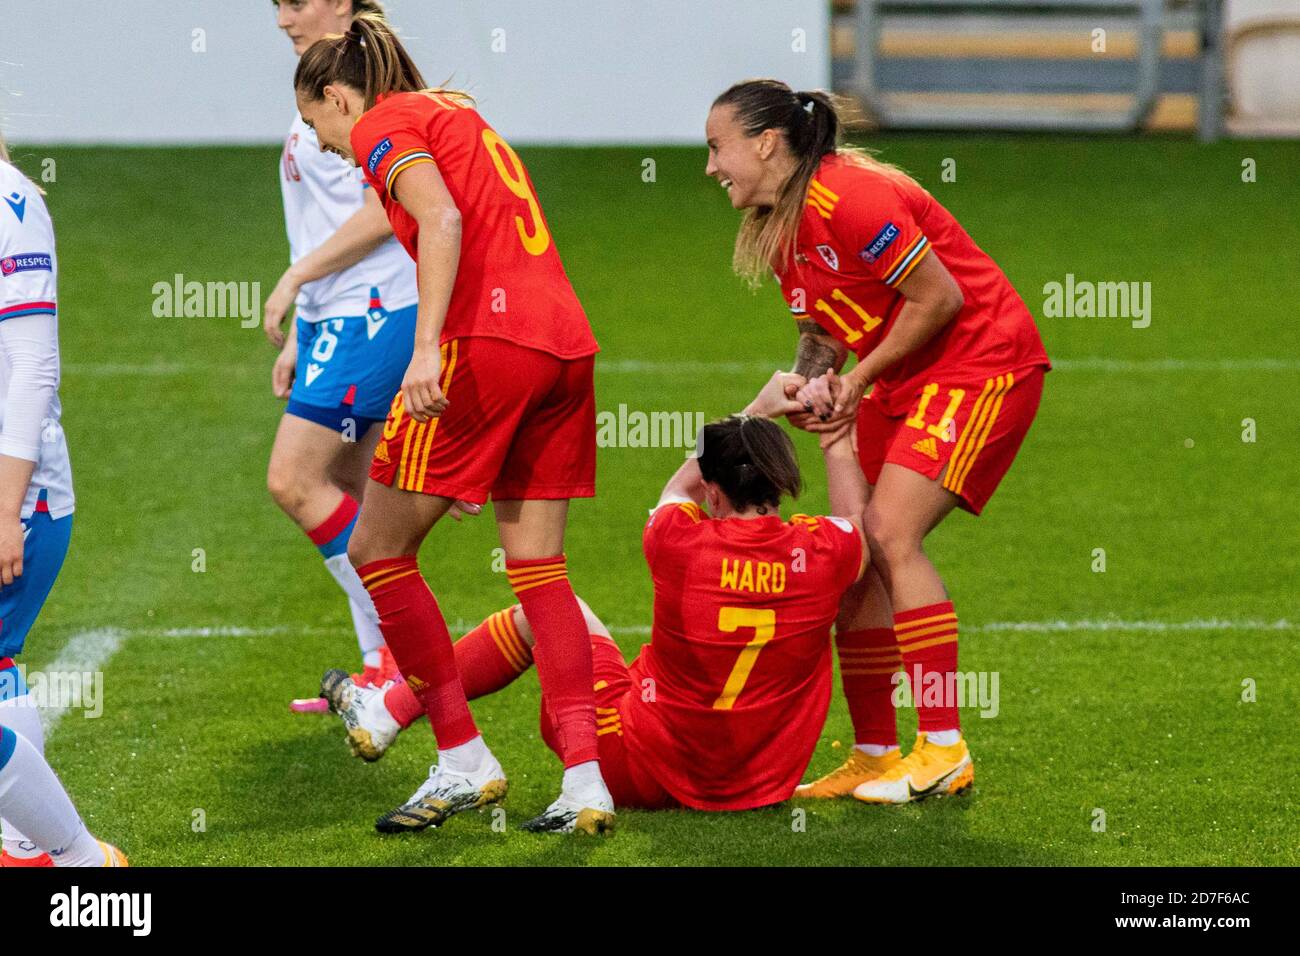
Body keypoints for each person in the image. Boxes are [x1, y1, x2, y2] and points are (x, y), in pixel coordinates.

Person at [293, 13, 611, 834]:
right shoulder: (455, 110)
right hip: (564, 345)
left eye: (316, 123)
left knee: (377, 550)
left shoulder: (384, 123)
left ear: (336, 95)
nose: (325, 144)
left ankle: (463, 759)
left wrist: (425, 347)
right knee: (540, 566)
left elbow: (441, 219)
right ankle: (585, 783)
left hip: (489, 345)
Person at [708, 79, 1050, 803]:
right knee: (856, 555)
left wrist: (857, 381)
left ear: (766, 143)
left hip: (982, 362)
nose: (711, 167)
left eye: (717, 147)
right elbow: (820, 328)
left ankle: (946, 748)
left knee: (892, 532)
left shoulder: (853, 197)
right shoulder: (781, 227)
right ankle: (873, 753)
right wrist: (811, 381)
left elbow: (941, 297)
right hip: (909, 378)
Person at [325, 379, 870, 817]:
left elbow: (680, 486)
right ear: (781, 483)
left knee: (541, 615)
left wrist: (756, 409)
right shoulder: (827, 551)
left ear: (715, 492)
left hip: (632, 763)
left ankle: (388, 711)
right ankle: (384, 713)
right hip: (761, 785)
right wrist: (836, 436)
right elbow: (855, 526)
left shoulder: (679, 540)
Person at [265, 0, 423, 697]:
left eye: (295, 2)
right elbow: (321, 218)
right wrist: (305, 328)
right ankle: (385, 666)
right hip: (341, 315)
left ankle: (411, 649)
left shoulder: (368, 89)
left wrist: (298, 279)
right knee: (349, 488)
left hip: (375, 309)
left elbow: (385, 209)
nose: (282, 18)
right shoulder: (328, 78)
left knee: (294, 480)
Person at [0, 136, 124, 866]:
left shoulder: (10, 204)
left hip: (21, 493)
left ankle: (79, 861)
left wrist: (5, 510)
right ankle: (23, 843)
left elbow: (32, 365)